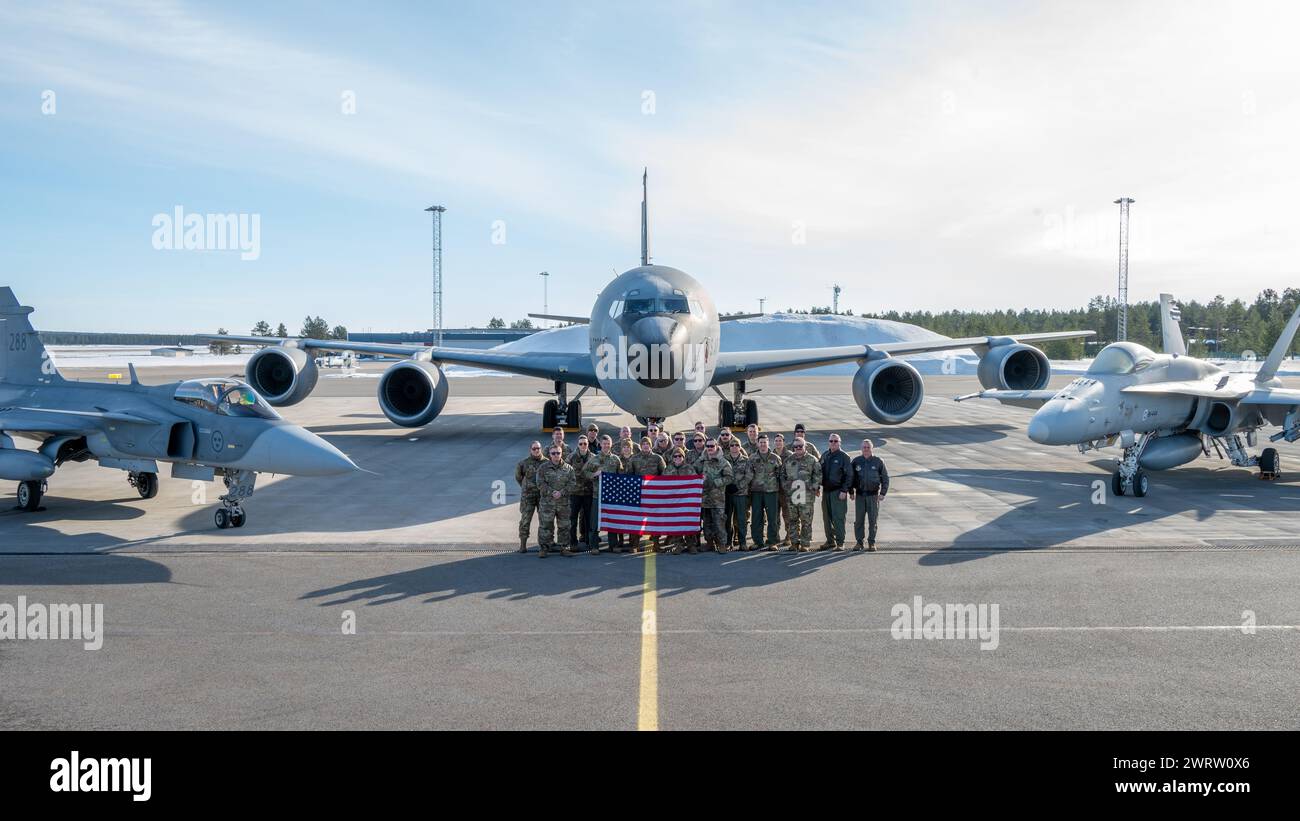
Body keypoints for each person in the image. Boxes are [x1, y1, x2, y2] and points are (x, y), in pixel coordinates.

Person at [583, 435, 623, 554]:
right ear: (600, 444)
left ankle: (613, 545)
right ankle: (594, 546)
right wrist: (594, 474)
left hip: (611, 496)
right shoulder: (594, 459)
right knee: (595, 522)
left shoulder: (616, 459)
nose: (606, 445)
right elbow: (584, 472)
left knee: (612, 521)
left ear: (611, 444)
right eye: (604, 443)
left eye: (608, 443)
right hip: (598, 495)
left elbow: (620, 475)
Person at [536, 445, 576, 558]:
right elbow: (540, 483)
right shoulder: (543, 468)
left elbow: (572, 483)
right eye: (553, 453)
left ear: (561, 453)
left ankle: (564, 547)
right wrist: (552, 492)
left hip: (563, 503)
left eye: (558, 453)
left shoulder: (569, 468)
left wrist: (561, 492)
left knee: (564, 526)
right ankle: (544, 548)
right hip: (547, 503)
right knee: (546, 526)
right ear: (549, 454)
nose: (556, 455)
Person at [850, 439, 890, 551]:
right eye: (864, 447)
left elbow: (885, 479)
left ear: (872, 448)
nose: (866, 449)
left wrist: (883, 493)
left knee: (873, 520)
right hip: (860, 496)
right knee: (859, 521)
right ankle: (859, 542)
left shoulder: (878, 461)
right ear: (861, 448)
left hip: (873, 496)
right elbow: (850, 478)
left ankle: (871, 542)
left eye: (868, 447)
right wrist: (851, 491)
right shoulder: (856, 461)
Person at [628, 437, 666, 552]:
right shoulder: (634, 459)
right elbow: (629, 475)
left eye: (647, 444)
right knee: (637, 520)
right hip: (639, 494)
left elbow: (664, 474)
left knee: (655, 520)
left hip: (654, 495)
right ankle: (634, 544)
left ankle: (656, 544)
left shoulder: (657, 458)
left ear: (651, 445)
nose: (645, 445)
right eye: (643, 444)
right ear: (640, 445)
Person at [782, 440, 821, 551]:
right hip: (792, 495)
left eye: (800, 446)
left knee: (806, 521)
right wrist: (786, 487)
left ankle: (805, 544)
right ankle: (794, 543)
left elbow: (818, 475)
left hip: (806, 496)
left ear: (805, 446)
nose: (798, 448)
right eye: (796, 446)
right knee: (792, 520)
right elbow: (782, 475)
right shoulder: (788, 460)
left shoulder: (812, 460)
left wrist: (814, 487)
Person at [818, 433, 852, 550]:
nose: (833, 443)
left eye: (835, 441)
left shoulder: (844, 457)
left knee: (838, 518)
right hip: (826, 491)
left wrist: (844, 490)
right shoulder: (825, 455)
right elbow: (818, 472)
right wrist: (817, 487)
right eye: (831, 441)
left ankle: (840, 542)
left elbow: (849, 475)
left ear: (839, 443)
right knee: (826, 518)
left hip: (838, 492)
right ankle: (830, 541)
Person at [748, 434, 782, 550]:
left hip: (771, 491)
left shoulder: (775, 458)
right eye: (761, 442)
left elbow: (780, 475)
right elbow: (749, 475)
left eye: (765, 442)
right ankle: (758, 541)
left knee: (772, 517)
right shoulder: (752, 458)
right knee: (756, 517)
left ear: (768, 443)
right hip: (756, 491)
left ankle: (772, 542)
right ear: (758, 444)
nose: (763, 444)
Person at [699, 439, 733, 552]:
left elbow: (729, 478)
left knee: (719, 523)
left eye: (712, 446)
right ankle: (709, 543)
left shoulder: (723, 462)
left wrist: (715, 482)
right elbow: (692, 472)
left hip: (717, 499)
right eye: (708, 446)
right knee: (707, 523)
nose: (710, 448)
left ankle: (722, 544)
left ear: (717, 446)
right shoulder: (701, 461)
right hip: (704, 498)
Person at [661, 446, 697, 553]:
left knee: (688, 522)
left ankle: (691, 544)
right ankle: (678, 544)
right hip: (674, 501)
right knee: (676, 523)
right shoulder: (668, 469)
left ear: (683, 457)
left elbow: (695, 481)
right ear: (672, 458)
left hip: (687, 500)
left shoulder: (689, 468)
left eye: (680, 456)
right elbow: (663, 484)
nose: (677, 458)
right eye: (675, 456)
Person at [514, 441, 545, 552]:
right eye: (534, 448)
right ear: (530, 450)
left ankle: (543, 545)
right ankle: (523, 545)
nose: (536, 450)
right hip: (528, 497)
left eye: (538, 448)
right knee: (525, 520)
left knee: (544, 521)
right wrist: (526, 487)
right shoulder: (523, 463)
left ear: (541, 449)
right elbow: (518, 477)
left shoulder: (547, 462)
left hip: (542, 496)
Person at [567, 435, 597, 550]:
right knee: (572, 519)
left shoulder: (593, 457)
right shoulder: (571, 457)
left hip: (588, 493)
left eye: (585, 443)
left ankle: (589, 541)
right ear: (578, 445)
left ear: (588, 444)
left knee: (589, 518)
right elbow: (565, 472)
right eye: (581, 444)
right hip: (575, 493)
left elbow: (597, 471)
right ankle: (573, 542)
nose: (583, 445)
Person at [724, 439, 753, 549]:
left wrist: (738, 486)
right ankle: (728, 542)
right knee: (727, 519)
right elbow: (721, 474)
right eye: (732, 445)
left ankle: (742, 542)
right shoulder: (724, 459)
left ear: (740, 447)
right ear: (729, 447)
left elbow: (749, 476)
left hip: (741, 494)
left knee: (741, 519)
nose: (734, 447)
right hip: (727, 493)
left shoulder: (746, 460)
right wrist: (727, 485)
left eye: (737, 445)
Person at [773, 433, 793, 546]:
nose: (778, 443)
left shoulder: (789, 455)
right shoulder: (771, 454)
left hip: (785, 490)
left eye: (780, 440)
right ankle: (775, 536)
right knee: (774, 514)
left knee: (787, 514)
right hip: (774, 489)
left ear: (783, 442)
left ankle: (789, 536)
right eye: (776, 441)